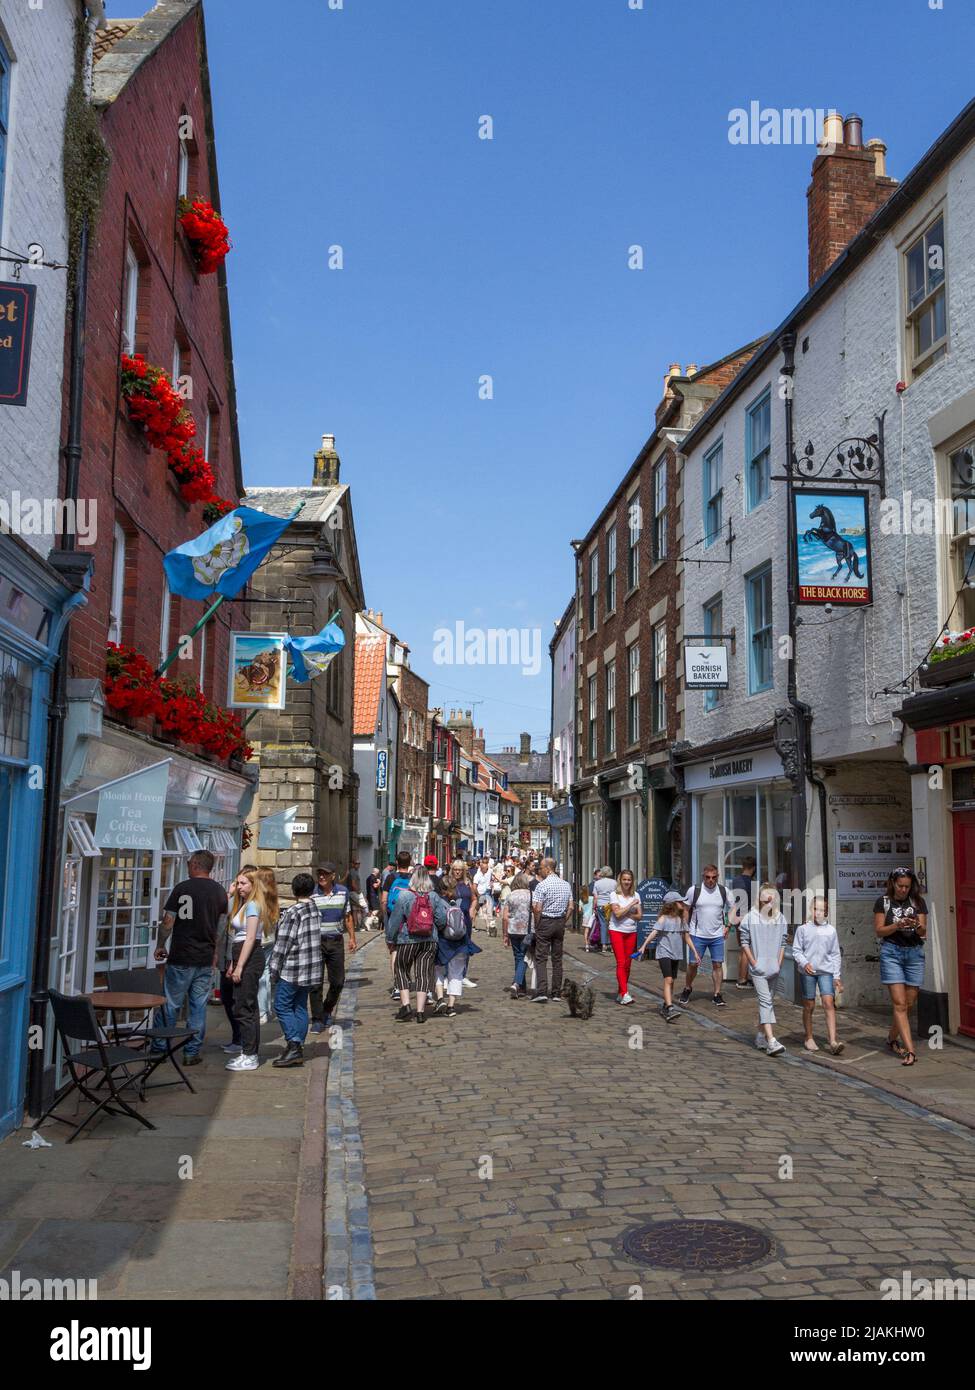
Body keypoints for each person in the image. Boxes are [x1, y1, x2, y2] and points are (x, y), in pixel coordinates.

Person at [153, 849, 229, 1066]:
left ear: (195, 864)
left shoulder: (182, 889)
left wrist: (160, 945)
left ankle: (159, 1048)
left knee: (170, 1004)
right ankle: (191, 1051)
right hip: (205, 958)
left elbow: (168, 922)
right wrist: (215, 951)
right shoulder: (219, 892)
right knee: (198, 1006)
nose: (187, 867)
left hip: (181, 956)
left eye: (188, 864)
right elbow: (221, 926)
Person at [874, 867, 928, 1067]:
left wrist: (915, 924)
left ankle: (891, 1039)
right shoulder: (883, 902)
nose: (904, 890)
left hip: (914, 953)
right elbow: (879, 931)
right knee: (899, 1004)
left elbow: (924, 932)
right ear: (893, 883)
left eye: (907, 886)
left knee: (908, 1004)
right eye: (900, 886)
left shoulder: (918, 902)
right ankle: (910, 1050)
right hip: (892, 953)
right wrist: (896, 925)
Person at [268, 873, 322, 1067]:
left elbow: (283, 943)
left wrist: (273, 968)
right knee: (299, 1007)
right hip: (310, 968)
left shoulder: (293, 912)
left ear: (294, 890)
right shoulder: (315, 909)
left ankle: (294, 1045)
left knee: (281, 1006)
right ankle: (297, 1047)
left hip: (293, 968)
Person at [385, 864, 448, 1022]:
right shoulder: (433, 896)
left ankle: (406, 1005)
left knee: (401, 969)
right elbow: (441, 919)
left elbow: (395, 921)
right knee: (423, 974)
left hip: (407, 940)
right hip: (429, 940)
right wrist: (434, 928)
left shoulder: (405, 896)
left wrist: (390, 939)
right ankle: (420, 1012)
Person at [225, 866, 268, 1071]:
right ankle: (248, 1051)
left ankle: (249, 1055)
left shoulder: (252, 905)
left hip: (249, 956)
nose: (239, 887)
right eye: (238, 882)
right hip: (242, 953)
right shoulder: (244, 904)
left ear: (253, 885)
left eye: (243, 883)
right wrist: (234, 963)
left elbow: (251, 937)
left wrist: (240, 966)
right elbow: (240, 937)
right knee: (246, 1006)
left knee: (244, 1008)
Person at [738, 883, 789, 1056]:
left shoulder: (780, 917)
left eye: (772, 897)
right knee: (766, 1001)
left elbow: (783, 942)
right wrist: (753, 962)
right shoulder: (751, 917)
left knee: (768, 1003)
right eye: (766, 897)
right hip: (758, 968)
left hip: (774, 967)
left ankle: (760, 1035)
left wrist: (779, 963)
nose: (769, 900)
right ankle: (771, 1041)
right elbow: (744, 941)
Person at [310, 863, 357, 1033]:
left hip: (336, 941)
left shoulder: (343, 892)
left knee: (338, 981)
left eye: (325, 874)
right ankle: (316, 1019)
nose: (321, 877)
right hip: (316, 942)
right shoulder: (312, 893)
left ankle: (326, 1010)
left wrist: (352, 937)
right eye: (319, 874)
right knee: (315, 982)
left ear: (333, 876)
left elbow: (348, 916)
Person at [793, 896, 844, 1055]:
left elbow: (835, 954)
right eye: (816, 909)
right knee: (809, 1005)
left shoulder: (831, 931)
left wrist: (836, 975)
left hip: (826, 971)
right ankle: (809, 1037)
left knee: (828, 1002)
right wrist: (804, 963)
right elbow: (796, 950)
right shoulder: (803, 929)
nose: (818, 913)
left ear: (826, 912)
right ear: (811, 909)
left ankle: (833, 1040)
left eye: (822, 910)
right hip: (808, 971)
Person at [641, 890, 698, 1021]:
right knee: (668, 980)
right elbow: (654, 933)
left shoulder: (681, 920)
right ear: (672, 904)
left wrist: (694, 951)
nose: (682, 903)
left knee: (671, 981)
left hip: (676, 954)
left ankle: (666, 1005)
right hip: (664, 953)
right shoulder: (663, 919)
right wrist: (643, 946)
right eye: (679, 901)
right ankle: (671, 1008)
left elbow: (687, 937)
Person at [680, 865, 730, 1007]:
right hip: (697, 934)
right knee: (693, 964)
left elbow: (733, 909)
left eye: (714, 877)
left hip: (717, 935)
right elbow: (685, 909)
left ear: (717, 876)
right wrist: (685, 928)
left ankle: (717, 994)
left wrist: (728, 925)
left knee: (717, 964)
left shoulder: (723, 891)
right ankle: (688, 987)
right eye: (708, 877)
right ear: (703, 877)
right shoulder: (694, 890)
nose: (710, 880)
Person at [529, 857, 572, 1003]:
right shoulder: (566, 885)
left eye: (541, 867)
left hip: (545, 921)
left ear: (548, 868)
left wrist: (537, 923)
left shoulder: (542, 885)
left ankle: (542, 991)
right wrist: (563, 920)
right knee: (557, 958)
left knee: (541, 957)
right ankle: (556, 993)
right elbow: (571, 907)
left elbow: (537, 908)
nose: (540, 870)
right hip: (559, 922)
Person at [433, 859, 471, 1017]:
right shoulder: (460, 901)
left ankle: (440, 997)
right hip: (460, 942)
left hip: (443, 942)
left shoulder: (438, 901)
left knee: (438, 970)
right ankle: (451, 1006)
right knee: (456, 973)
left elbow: (438, 922)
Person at [608, 869, 642, 1004]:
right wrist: (630, 905)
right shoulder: (614, 895)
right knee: (621, 962)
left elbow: (640, 916)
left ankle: (620, 992)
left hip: (631, 931)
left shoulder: (637, 895)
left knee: (627, 964)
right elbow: (617, 914)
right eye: (624, 879)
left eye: (629, 880)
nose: (627, 882)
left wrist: (627, 913)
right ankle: (625, 993)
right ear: (620, 880)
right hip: (616, 930)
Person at [383, 851, 413, 1000]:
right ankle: (405, 980)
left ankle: (397, 985)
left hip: (393, 917)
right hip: (409, 920)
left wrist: (386, 917)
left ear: (397, 862)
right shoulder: (414, 879)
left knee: (394, 950)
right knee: (407, 950)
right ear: (410, 862)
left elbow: (384, 900)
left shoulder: (390, 877)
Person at [502, 871, 533, 997]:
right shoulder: (532, 895)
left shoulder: (510, 896)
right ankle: (516, 984)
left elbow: (505, 917)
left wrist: (505, 934)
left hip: (513, 930)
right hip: (527, 930)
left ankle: (521, 988)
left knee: (518, 957)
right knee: (525, 957)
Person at [256, 867, 280, 1024]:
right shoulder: (273, 896)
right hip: (270, 938)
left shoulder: (259, 898)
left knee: (261, 976)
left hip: (261, 940)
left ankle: (262, 1011)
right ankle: (268, 1008)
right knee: (266, 974)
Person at [731, 855, 758, 990]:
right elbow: (754, 903)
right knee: (746, 949)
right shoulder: (752, 883)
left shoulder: (735, 881)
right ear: (753, 868)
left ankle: (741, 977)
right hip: (747, 917)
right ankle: (742, 979)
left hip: (737, 917)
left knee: (742, 948)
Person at [591, 867, 617, 952]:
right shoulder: (614, 882)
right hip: (611, 905)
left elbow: (595, 897)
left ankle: (604, 945)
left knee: (603, 925)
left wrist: (593, 907)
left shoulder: (597, 883)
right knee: (612, 925)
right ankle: (613, 946)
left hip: (600, 905)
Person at [579, 883, 595, 949]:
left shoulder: (581, 900)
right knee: (591, 931)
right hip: (592, 916)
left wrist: (583, 909)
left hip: (585, 916)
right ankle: (590, 942)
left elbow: (579, 910)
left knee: (586, 931)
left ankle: (586, 945)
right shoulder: (592, 898)